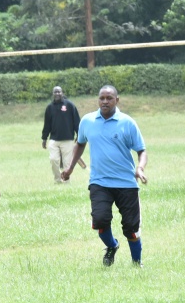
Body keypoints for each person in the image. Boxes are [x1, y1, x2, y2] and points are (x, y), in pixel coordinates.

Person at [60, 85, 148, 267]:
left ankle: (136, 264)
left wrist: (140, 168)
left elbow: (141, 150)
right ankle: (112, 245)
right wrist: (69, 169)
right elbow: (80, 144)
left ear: (117, 100)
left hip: (126, 183)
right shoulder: (87, 121)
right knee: (100, 221)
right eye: (102, 98)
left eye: (109, 98)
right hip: (99, 182)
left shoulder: (127, 122)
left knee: (131, 229)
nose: (105, 101)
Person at [42, 86, 84, 183]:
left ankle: (66, 181)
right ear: (53, 94)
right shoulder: (50, 107)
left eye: (59, 92)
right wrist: (44, 138)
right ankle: (57, 180)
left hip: (68, 139)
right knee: (53, 160)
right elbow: (47, 124)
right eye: (55, 92)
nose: (57, 94)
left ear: (62, 93)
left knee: (67, 163)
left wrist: (79, 135)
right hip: (54, 139)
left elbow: (76, 122)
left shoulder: (70, 105)